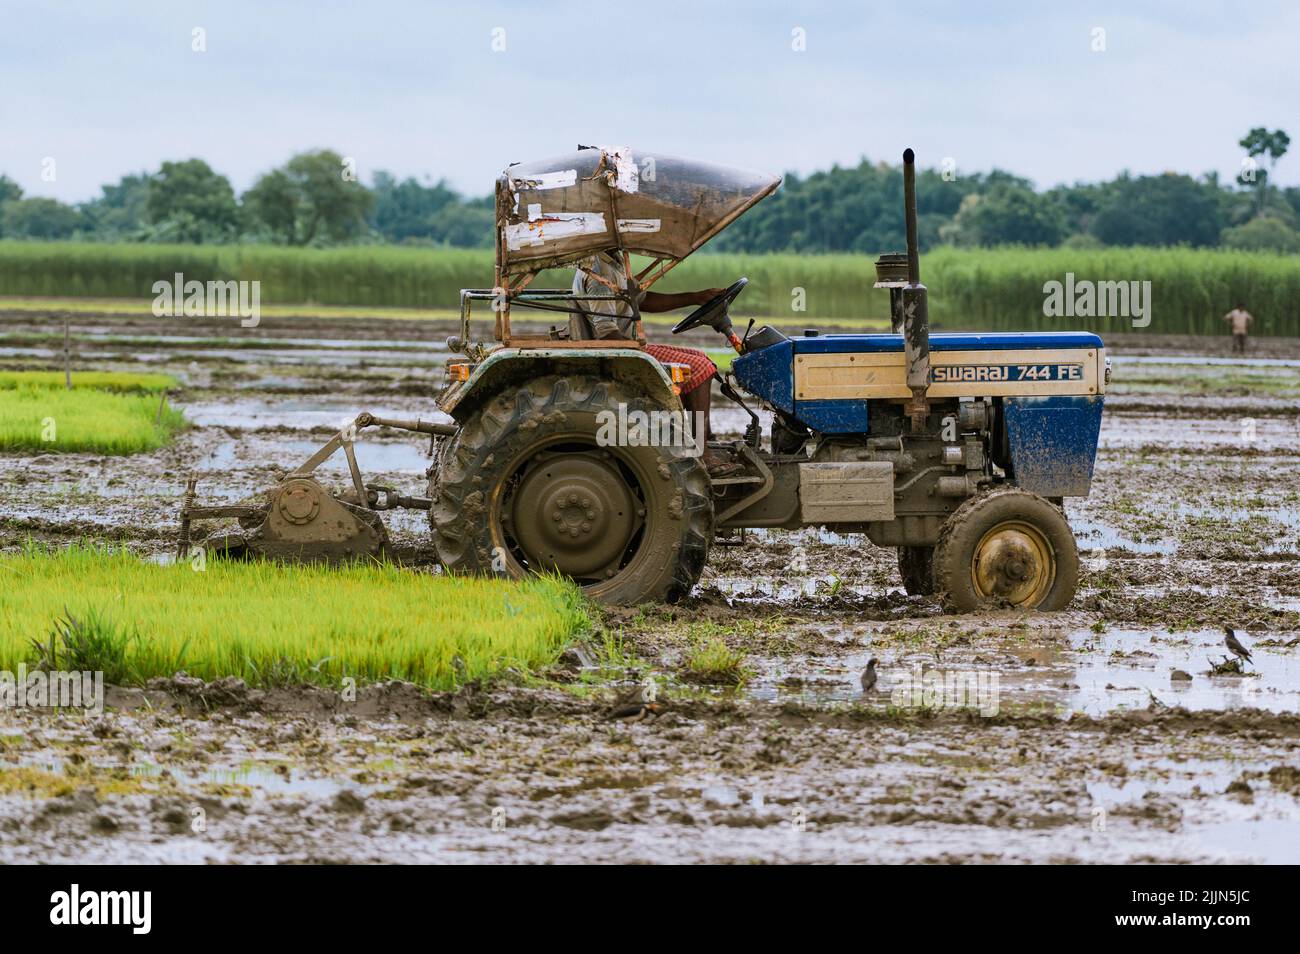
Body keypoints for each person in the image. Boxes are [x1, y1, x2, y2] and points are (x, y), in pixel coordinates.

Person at [571, 249, 739, 476]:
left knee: (702, 359)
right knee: (700, 369)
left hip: (626, 347)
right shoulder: (598, 273)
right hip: (616, 351)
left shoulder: (613, 263)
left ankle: (703, 439)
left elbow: (645, 300)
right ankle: (702, 453)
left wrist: (695, 297)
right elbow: (606, 333)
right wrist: (642, 353)